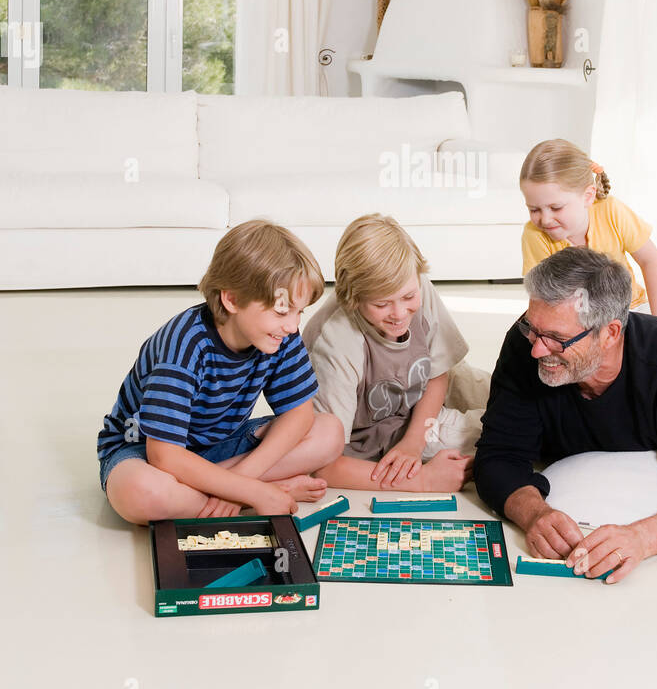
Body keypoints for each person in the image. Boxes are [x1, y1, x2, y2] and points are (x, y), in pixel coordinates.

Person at [474, 247, 657, 584]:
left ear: (610, 333)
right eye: (533, 330)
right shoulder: (527, 344)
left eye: (557, 339)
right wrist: (534, 513)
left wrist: (641, 538)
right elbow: (497, 456)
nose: (536, 349)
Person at [97, 220, 344, 525]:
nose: (293, 326)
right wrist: (252, 492)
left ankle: (230, 496)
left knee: (329, 432)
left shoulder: (281, 334)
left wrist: (240, 485)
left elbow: (300, 416)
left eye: (299, 312)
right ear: (232, 299)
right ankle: (264, 495)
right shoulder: (185, 346)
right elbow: (165, 456)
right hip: (146, 452)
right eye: (282, 311)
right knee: (140, 492)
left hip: (220, 450)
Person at [303, 214, 489, 493]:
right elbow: (323, 464)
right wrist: (422, 478)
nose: (400, 314)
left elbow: (438, 373)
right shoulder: (335, 341)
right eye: (381, 304)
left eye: (408, 297)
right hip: (380, 428)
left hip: (423, 386)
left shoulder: (413, 281)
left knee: (516, 399)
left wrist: (415, 441)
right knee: (502, 432)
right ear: (352, 297)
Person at [519, 138, 657, 313]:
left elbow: (650, 261)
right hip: (575, 318)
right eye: (534, 209)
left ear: (588, 196)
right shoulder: (534, 234)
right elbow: (543, 296)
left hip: (630, 309)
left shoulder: (611, 210)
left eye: (556, 208)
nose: (545, 219)